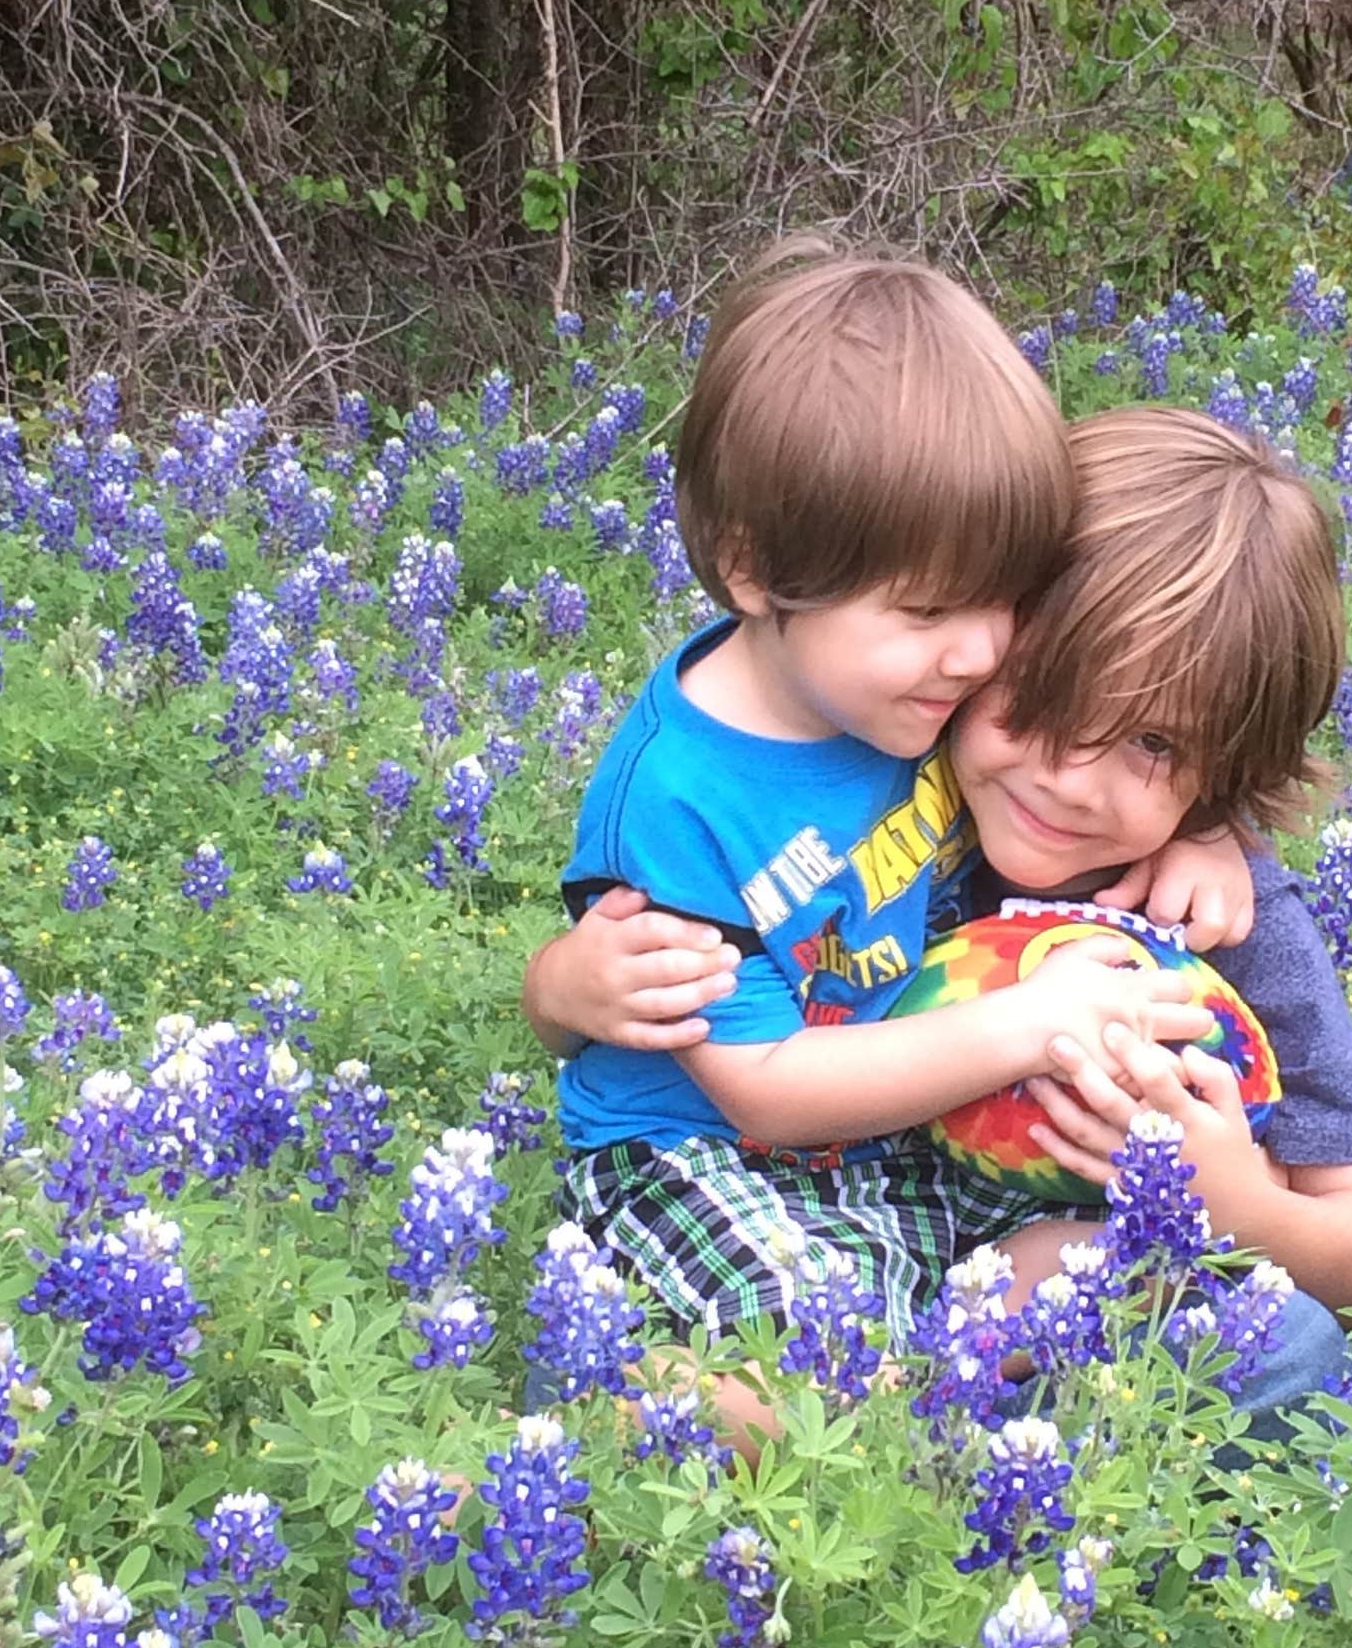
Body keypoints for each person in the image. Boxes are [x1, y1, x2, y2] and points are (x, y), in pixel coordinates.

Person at [538, 404, 1352, 1422]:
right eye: (1037, 693)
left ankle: (922, 1412)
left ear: (1229, 767)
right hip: (815, 1190)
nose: (1068, 780)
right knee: (817, 1376)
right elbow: (699, 955)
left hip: (987, 1241)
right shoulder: (898, 776)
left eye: (1154, 747)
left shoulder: (1226, 922)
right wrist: (556, 985)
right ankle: (637, 1435)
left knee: (1268, 1329)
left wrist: (1240, 1205)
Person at [530, 243, 1252, 1357]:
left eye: (998, 600)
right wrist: (1028, 1022)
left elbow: (1113, 743)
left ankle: (929, 1371)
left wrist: (1210, 829)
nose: (975, 654)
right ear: (754, 566)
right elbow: (763, 1091)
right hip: (711, 1155)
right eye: (924, 611)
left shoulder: (906, 701)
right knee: (797, 1351)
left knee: (1154, 1245)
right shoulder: (676, 798)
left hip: (907, 1126)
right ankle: (701, 1404)